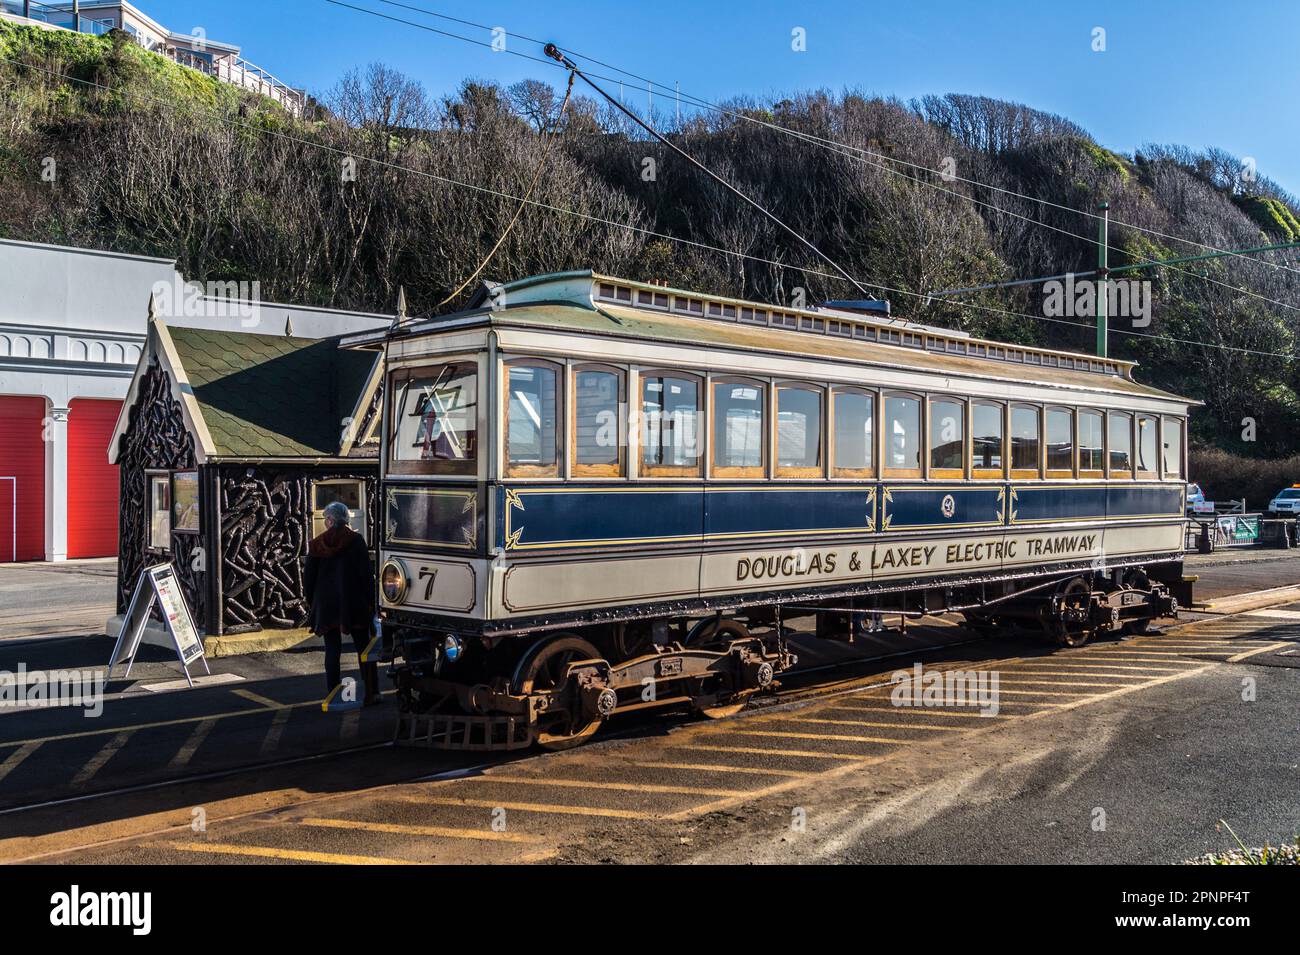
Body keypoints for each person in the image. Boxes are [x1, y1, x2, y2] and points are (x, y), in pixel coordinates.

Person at [304, 501, 379, 705]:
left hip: (326, 605)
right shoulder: (356, 541)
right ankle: (371, 692)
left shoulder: (317, 544)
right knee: (364, 649)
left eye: (325, 519)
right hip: (354, 603)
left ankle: (334, 693)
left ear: (330, 520)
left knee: (332, 650)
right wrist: (371, 602)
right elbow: (366, 575)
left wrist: (312, 603)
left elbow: (308, 579)